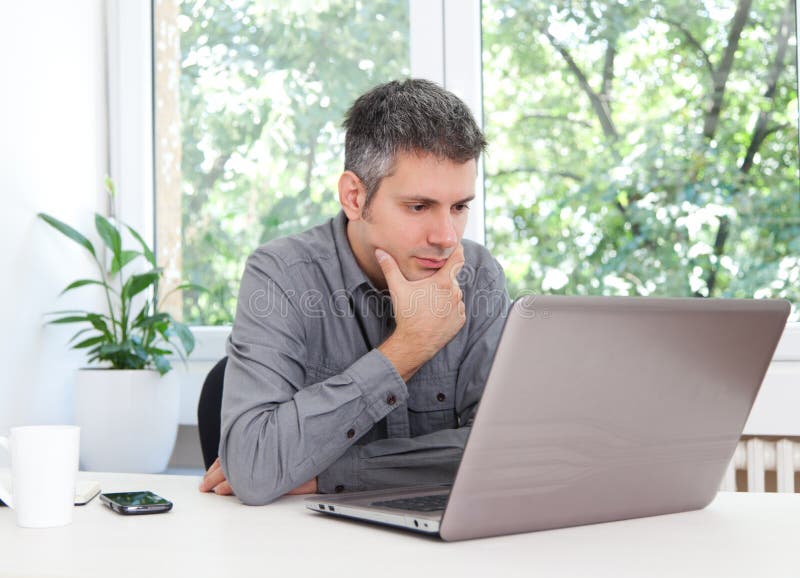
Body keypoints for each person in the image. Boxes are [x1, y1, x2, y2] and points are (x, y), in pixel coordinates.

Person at [199, 78, 511, 505]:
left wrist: (333, 472)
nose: (446, 237)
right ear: (354, 196)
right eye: (418, 207)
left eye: (459, 207)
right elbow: (254, 467)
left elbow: (506, 454)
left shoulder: (478, 277)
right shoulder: (282, 276)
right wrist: (408, 348)